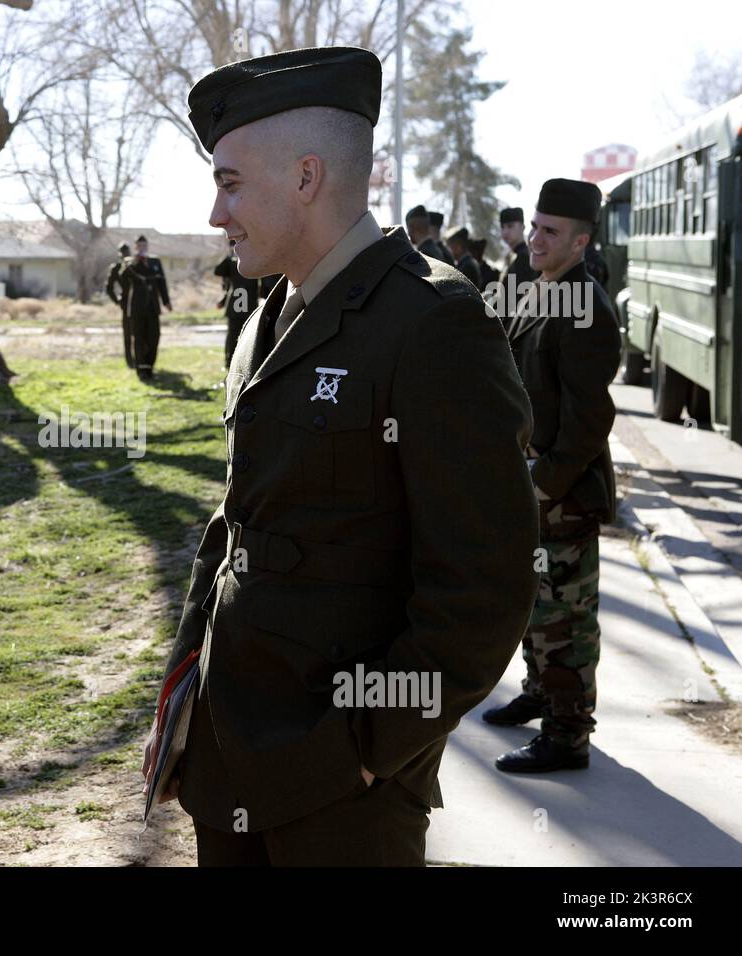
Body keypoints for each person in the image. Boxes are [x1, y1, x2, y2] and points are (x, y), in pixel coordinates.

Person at [146, 46, 539, 866]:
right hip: (230, 753)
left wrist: (365, 751)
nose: (216, 214)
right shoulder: (268, 315)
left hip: (338, 801)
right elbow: (234, 527)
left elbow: (484, 586)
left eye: (228, 182)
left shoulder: (433, 324)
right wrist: (182, 704)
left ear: (305, 177)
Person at [488, 178, 621, 774]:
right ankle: (541, 693)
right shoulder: (544, 291)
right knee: (533, 604)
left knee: (563, 618)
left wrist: (545, 484)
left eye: (550, 232)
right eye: (536, 227)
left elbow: (590, 419)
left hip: (561, 494)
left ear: (581, 241)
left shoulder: (586, 307)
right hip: (528, 484)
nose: (536, 239)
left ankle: (568, 737)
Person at [119, 234, 171, 381]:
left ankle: (149, 367)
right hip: (136, 308)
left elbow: (162, 283)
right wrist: (134, 262)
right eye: (139, 246)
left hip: (153, 307)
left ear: (147, 246)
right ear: (135, 247)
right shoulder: (129, 262)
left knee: (154, 338)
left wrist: (166, 301)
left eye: (144, 245)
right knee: (139, 339)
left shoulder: (155, 261)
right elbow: (122, 278)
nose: (142, 248)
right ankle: (141, 369)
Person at [215, 247, 264, 368]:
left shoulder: (254, 260)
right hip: (236, 308)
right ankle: (229, 365)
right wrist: (229, 255)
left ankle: (246, 365)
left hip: (248, 307)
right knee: (233, 337)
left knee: (248, 338)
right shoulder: (232, 262)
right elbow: (219, 272)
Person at [106, 241, 134, 368]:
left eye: (127, 252)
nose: (125, 254)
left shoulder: (134, 265)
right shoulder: (116, 268)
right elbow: (109, 287)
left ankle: (140, 359)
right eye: (123, 252)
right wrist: (117, 300)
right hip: (125, 303)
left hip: (138, 302)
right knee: (127, 333)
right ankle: (129, 360)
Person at [498, 206, 539, 287]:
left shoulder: (525, 257)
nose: (505, 231)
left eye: (510, 226)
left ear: (522, 227)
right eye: (502, 227)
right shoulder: (512, 255)